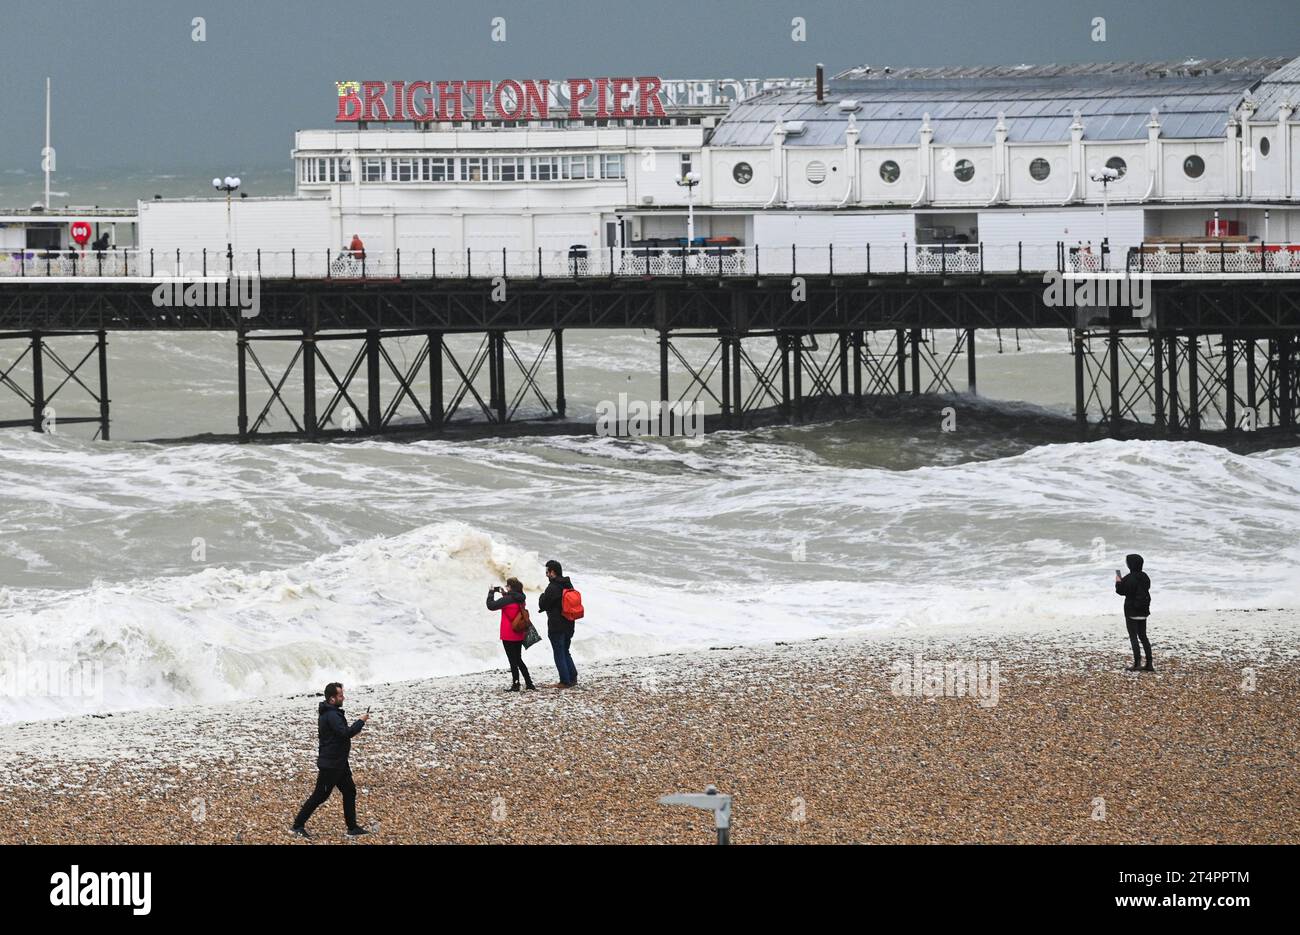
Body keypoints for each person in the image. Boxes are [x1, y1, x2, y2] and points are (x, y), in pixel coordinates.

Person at [291, 682, 371, 837]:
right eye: (341, 695)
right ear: (332, 699)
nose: (343, 697)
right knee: (320, 795)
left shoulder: (332, 712)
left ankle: (352, 827)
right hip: (331, 764)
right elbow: (345, 733)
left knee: (349, 791)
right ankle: (297, 825)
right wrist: (361, 721)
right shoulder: (332, 715)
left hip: (339, 762)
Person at [487, 577, 535, 691]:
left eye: (507, 586)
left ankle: (516, 684)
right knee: (518, 658)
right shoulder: (521, 599)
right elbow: (512, 602)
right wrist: (504, 593)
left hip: (508, 634)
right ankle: (529, 683)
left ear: (511, 587)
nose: (506, 587)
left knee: (512, 660)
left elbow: (491, 605)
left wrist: (490, 592)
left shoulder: (507, 599)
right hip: (519, 632)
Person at [537, 559, 578, 688]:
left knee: (559, 652)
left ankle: (565, 681)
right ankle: (572, 677)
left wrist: (542, 596)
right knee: (565, 650)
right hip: (569, 623)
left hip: (556, 625)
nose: (546, 574)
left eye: (547, 572)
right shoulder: (568, 585)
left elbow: (543, 604)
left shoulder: (553, 587)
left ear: (552, 572)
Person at [1115, 553, 1154, 672]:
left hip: (1131, 610)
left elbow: (1120, 591)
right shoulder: (1145, 576)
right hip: (1143, 609)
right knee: (1143, 636)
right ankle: (1149, 664)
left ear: (1130, 564)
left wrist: (1118, 579)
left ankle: (1137, 663)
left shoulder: (1129, 578)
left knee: (1133, 637)